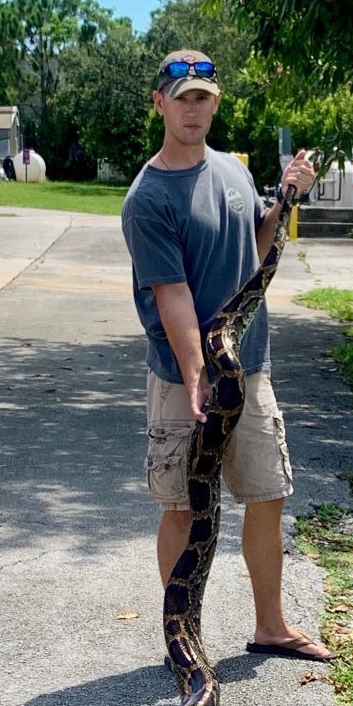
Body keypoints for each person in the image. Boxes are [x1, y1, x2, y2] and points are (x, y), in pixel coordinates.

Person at [121, 47, 332, 663]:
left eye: (203, 99)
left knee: (267, 492)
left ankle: (272, 626)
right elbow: (173, 297)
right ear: (160, 104)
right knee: (184, 507)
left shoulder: (234, 173)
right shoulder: (148, 198)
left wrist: (286, 199)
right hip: (183, 378)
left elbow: (256, 248)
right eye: (181, 99)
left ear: (215, 105)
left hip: (249, 367)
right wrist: (196, 374)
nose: (192, 109)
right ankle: (183, 639)